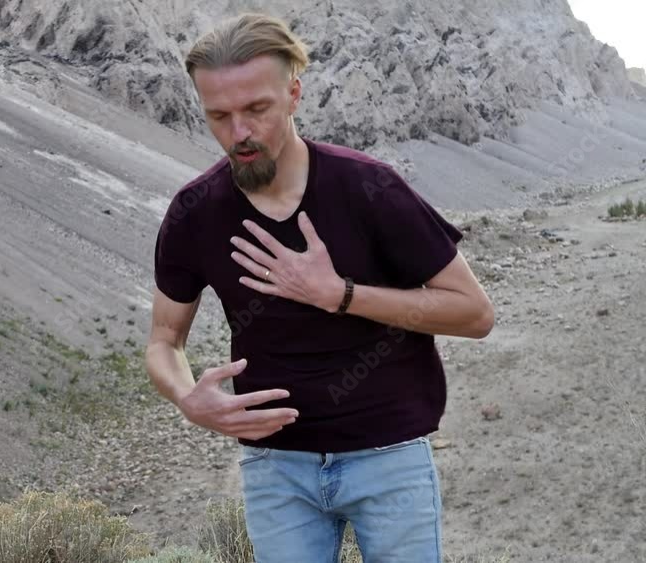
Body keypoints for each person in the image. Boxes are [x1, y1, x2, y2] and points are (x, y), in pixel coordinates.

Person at [145, 12, 495, 563]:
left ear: (293, 94)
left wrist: (340, 294)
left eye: (256, 109)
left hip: (388, 456)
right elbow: (164, 340)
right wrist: (188, 399)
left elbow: (475, 313)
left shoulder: (370, 188)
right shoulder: (195, 212)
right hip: (276, 468)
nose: (239, 133)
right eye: (219, 116)